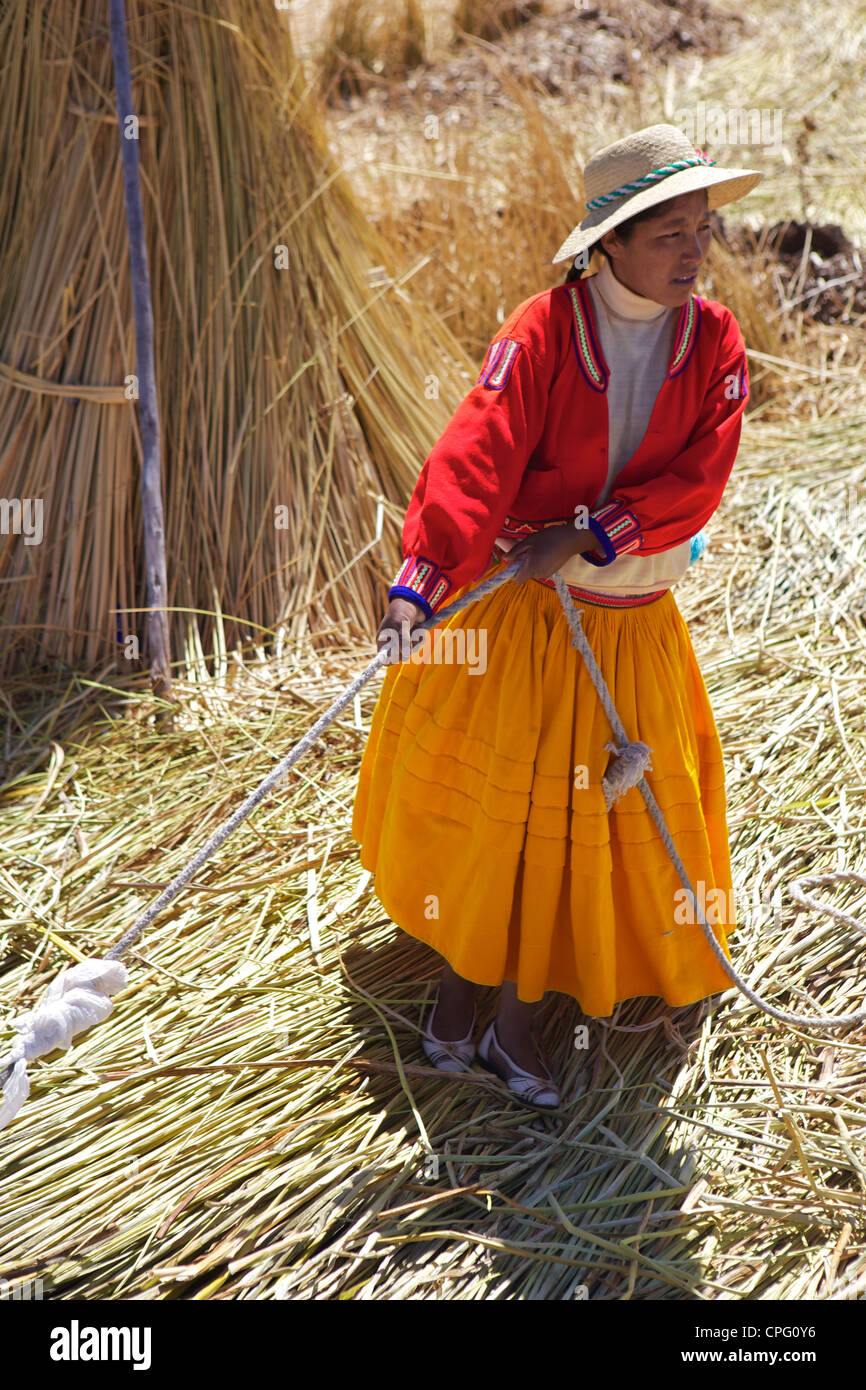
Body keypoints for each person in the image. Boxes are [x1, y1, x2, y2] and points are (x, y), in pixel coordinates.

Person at [351, 124, 763, 1109]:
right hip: (526, 623)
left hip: (627, 614)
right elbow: (472, 456)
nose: (691, 251)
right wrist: (420, 581)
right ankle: (465, 1006)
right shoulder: (539, 332)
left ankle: (518, 1012)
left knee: (601, 810)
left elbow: (697, 479)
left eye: (699, 230)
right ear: (608, 242)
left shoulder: (712, 342)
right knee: (512, 818)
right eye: (667, 232)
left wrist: (585, 536)